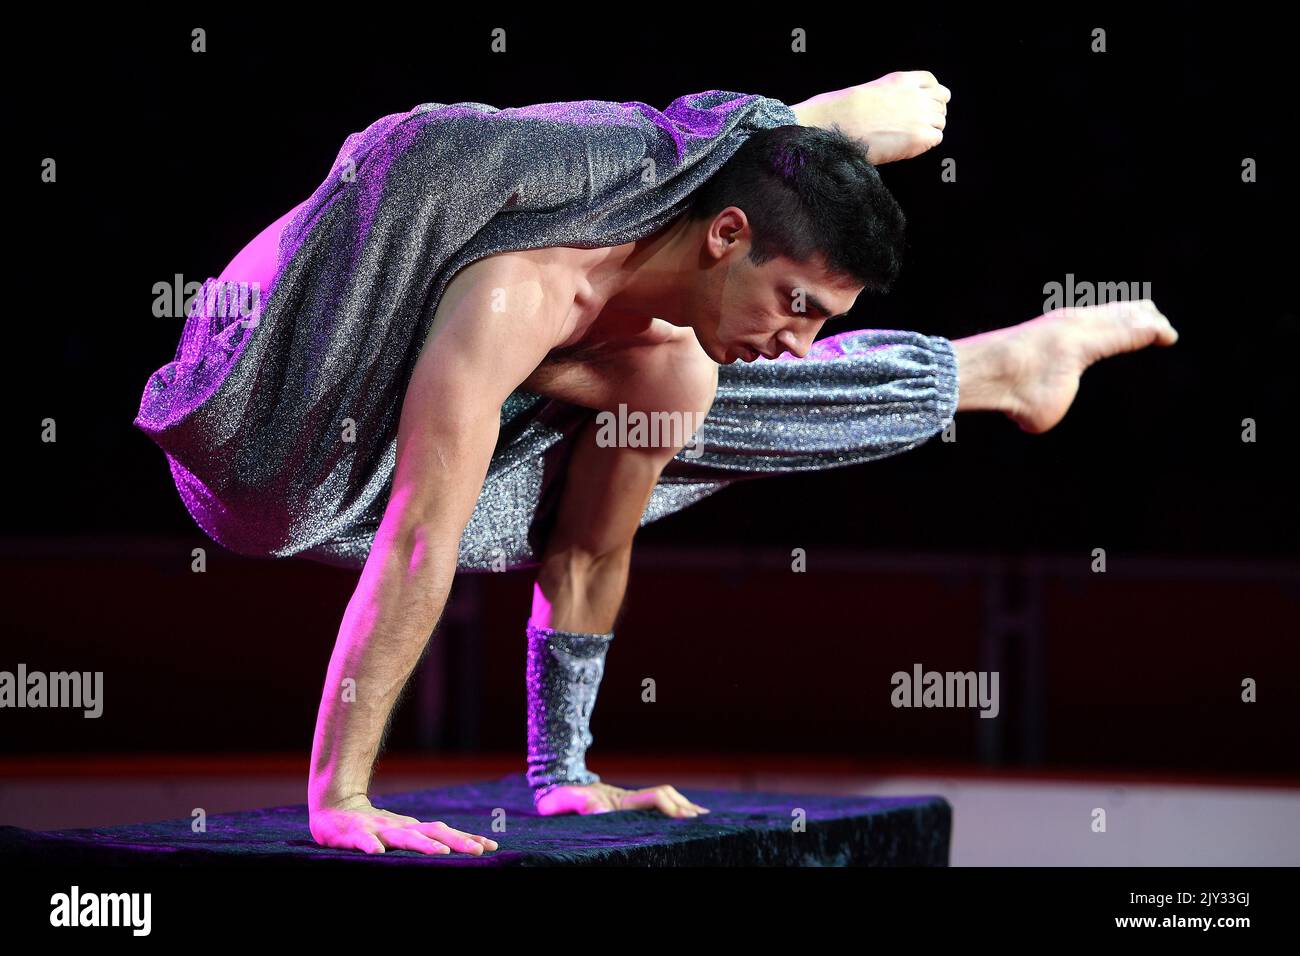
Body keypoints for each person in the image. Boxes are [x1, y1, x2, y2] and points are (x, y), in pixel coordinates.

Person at [135, 72, 1178, 856]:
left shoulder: (673, 346)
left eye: (826, 319)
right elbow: (419, 535)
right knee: (554, 181)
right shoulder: (520, 288)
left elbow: (587, 555)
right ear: (729, 234)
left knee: (705, 388)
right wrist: (342, 795)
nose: (801, 338)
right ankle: (848, 173)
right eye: (798, 304)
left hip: (534, 338)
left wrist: (564, 773)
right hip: (270, 406)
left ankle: (981, 350)